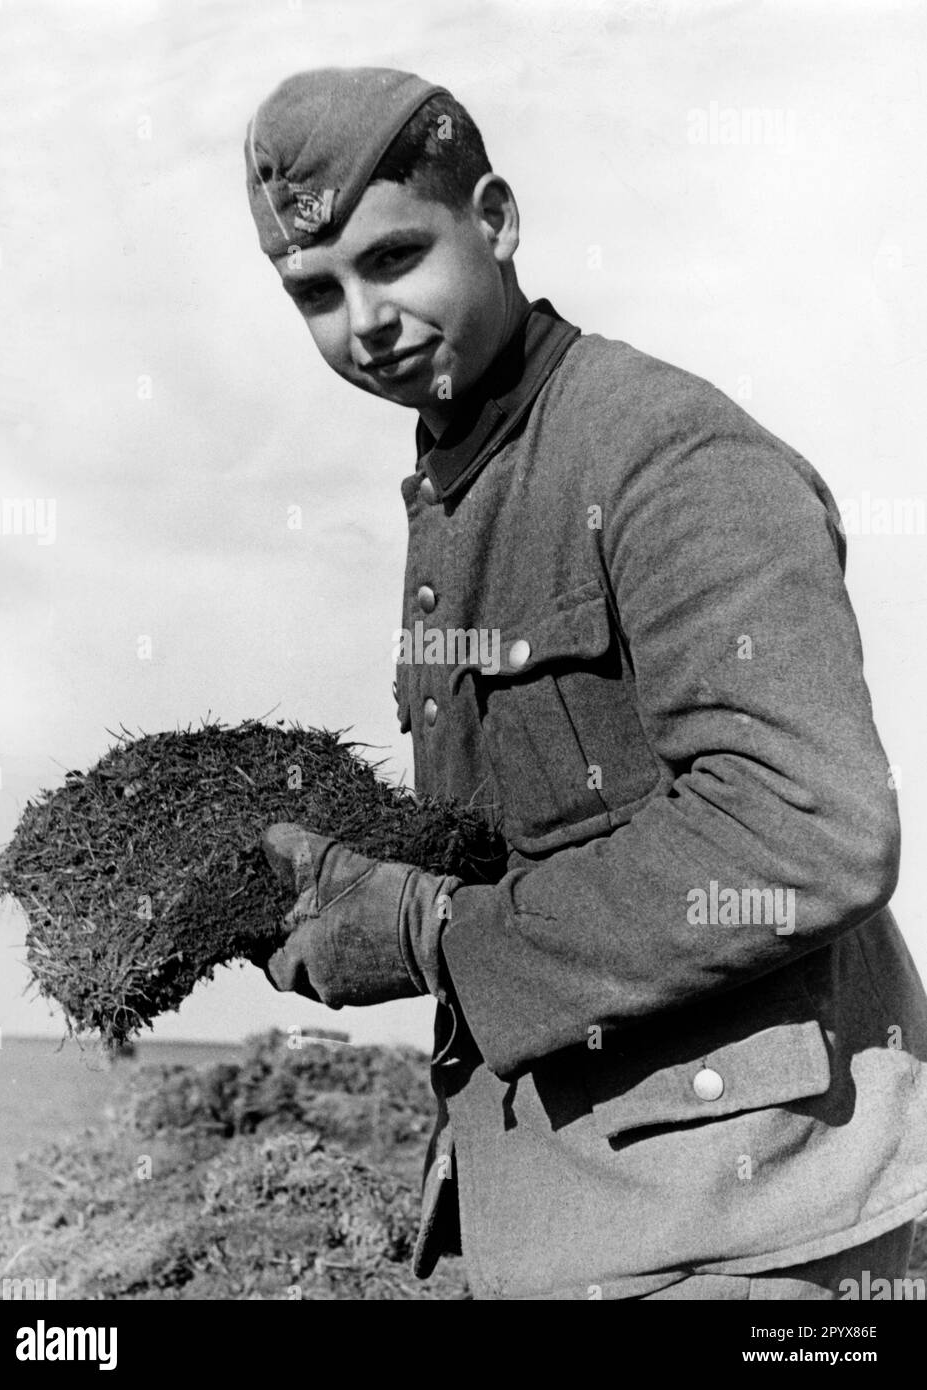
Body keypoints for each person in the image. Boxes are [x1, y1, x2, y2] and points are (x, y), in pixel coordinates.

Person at [242, 65, 927, 1300]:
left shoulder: (667, 454)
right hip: (555, 1212)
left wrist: (426, 933)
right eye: (315, 294)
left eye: (395, 259)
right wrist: (330, 893)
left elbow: (807, 825)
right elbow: (528, 843)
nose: (365, 321)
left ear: (495, 219)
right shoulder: (461, 476)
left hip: (753, 1223)